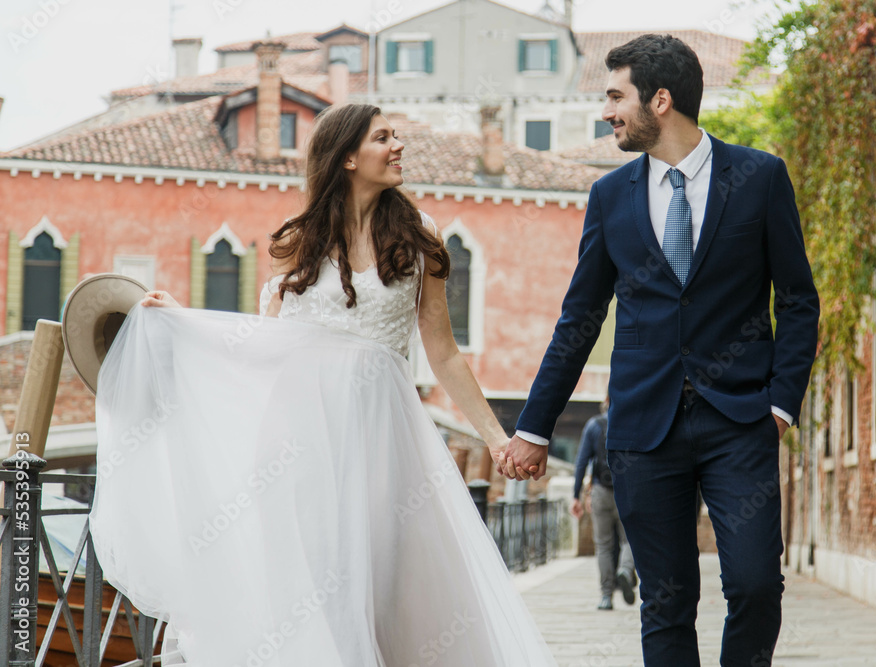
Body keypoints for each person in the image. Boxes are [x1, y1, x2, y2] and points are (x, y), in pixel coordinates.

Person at [88, 103, 555, 666]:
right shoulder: (297, 242)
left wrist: (496, 437)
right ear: (349, 157)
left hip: (384, 440)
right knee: (310, 581)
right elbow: (266, 346)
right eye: (384, 137)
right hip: (296, 442)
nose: (399, 145)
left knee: (384, 581)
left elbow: (444, 352)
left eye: (396, 135)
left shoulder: (420, 236)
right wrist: (182, 323)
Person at [499, 34, 820, 666]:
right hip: (642, 429)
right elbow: (580, 318)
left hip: (741, 421)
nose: (607, 111)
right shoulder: (610, 197)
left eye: (616, 96)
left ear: (662, 100)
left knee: (756, 586)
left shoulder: (759, 178)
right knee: (666, 604)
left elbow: (799, 301)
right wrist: (534, 426)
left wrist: (781, 404)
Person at [571, 395, 635, 610]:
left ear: (605, 400)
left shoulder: (594, 425)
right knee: (630, 540)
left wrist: (576, 495)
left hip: (600, 492)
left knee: (603, 545)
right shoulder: (632, 421)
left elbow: (581, 462)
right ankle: (625, 571)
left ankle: (606, 596)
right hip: (627, 491)